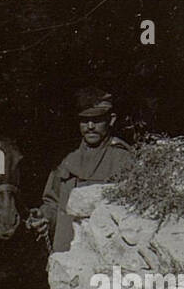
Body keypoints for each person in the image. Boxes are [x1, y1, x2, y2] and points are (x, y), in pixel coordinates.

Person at [27, 87, 135, 253]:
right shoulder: (68, 159)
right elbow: (52, 202)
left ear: (111, 120)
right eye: (84, 121)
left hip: (104, 255)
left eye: (97, 120)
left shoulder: (123, 159)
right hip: (65, 253)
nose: (90, 126)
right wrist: (44, 217)